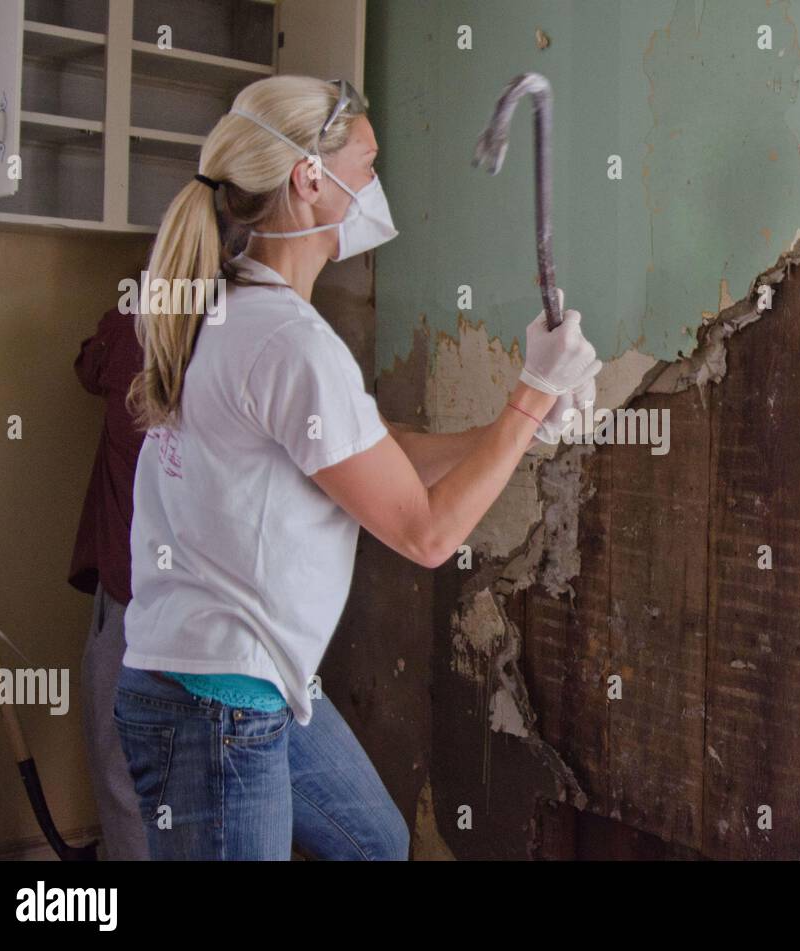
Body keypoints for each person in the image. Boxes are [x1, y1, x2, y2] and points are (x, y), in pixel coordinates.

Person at [113, 74, 600, 860]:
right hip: (214, 705)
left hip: (239, 678)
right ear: (310, 179)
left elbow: (374, 454)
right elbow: (427, 531)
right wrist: (530, 396)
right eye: (368, 164)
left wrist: (519, 432)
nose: (377, 185)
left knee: (373, 842)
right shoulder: (289, 342)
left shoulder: (230, 306)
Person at [69, 298, 151, 861]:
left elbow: (90, 365)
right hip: (221, 610)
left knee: (125, 781)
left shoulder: (136, 332)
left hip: (134, 598)